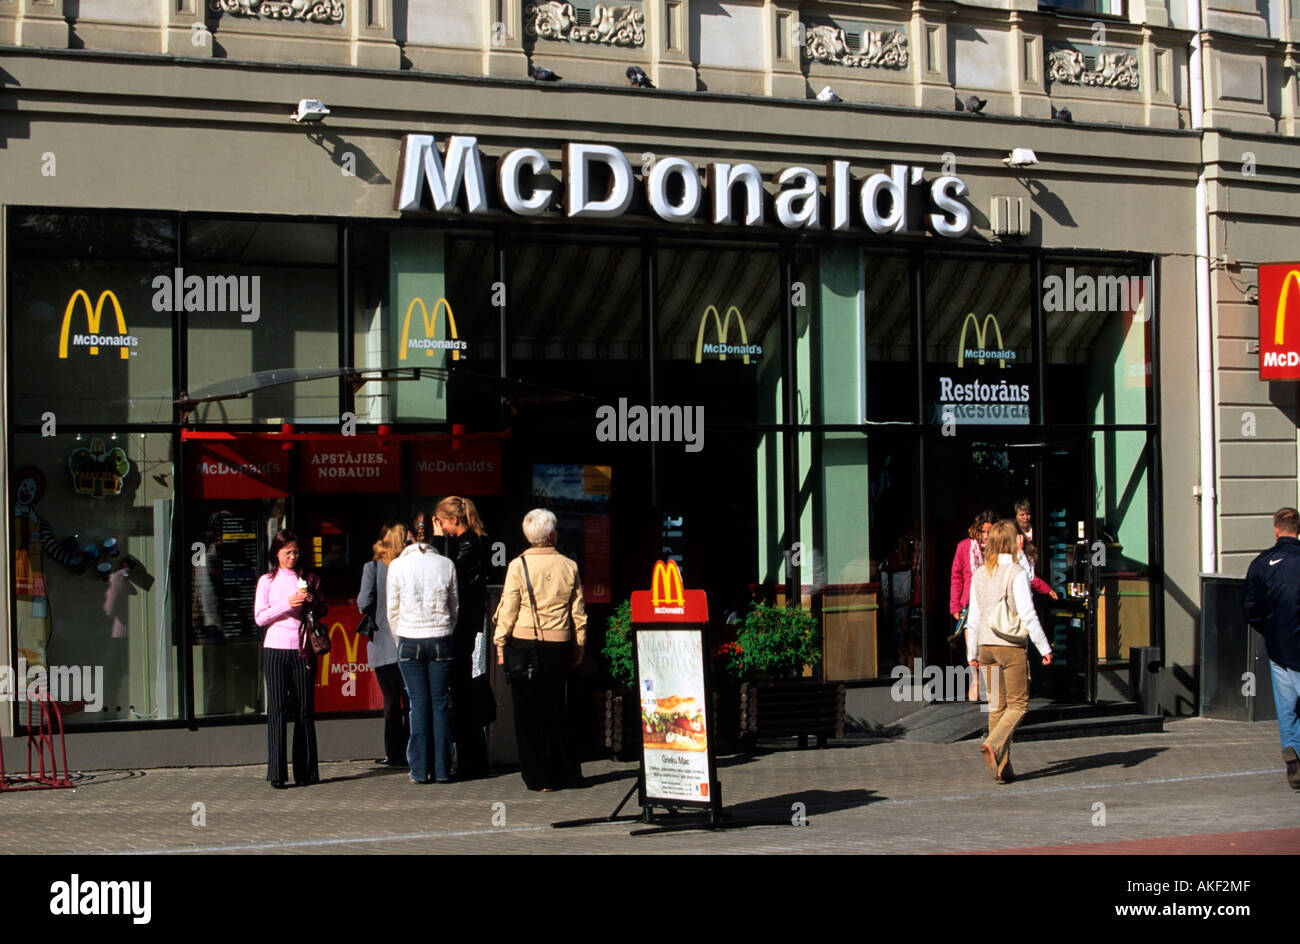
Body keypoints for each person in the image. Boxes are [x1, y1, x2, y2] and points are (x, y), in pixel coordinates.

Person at [493, 508, 587, 792]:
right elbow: (578, 612)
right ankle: (566, 774)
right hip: (559, 645)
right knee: (558, 710)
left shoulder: (517, 565)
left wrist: (500, 643)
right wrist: (579, 645)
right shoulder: (569, 565)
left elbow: (508, 608)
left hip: (524, 644)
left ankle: (538, 777)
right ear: (550, 534)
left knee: (528, 714)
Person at [965, 520, 1054, 783]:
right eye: (1018, 537)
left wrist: (972, 653)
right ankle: (992, 743)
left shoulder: (980, 573)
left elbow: (974, 616)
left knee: (996, 706)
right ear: (1010, 542)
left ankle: (1001, 770)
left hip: (985, 647)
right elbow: (1027, 613)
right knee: (1017, 705)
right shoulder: (1015, 572)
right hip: (1011, 647)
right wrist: (1044, 647)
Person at [254, 529, 326, 789]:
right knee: (277, 710)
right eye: (287, 553)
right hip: (275, 649)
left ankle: (307, 771)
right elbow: (260, 617)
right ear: (277, 554)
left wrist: (310, 601)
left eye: (296, 552)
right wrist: (288, 603)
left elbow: (321, 608)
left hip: (302, 649)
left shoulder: (306, 578)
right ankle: (276, 772)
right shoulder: (267, 580)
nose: (292, 557)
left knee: (305, 710)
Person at [387, 527, 458, 784]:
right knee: (439, 703)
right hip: (440, 637)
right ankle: (442, 769)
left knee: (418, 704)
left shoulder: (397, 566)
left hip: (408, 637)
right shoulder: (446, 564)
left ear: (409, 537)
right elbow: (454, 605)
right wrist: (446, 630)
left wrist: (400, 638)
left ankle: (418, 769)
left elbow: (391, 609)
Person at [431, 495, 492, 779]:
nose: (441, 527)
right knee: (462, 690)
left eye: (442, 522)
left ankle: (470, 760)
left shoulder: (467, 544)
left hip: (462, 625)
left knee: (461, 691)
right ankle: (471, 758)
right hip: (467, 624)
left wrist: (434, 542)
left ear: (454, 520)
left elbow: (445, 573)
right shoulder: (473, 542)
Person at [1243, 506, 1300, 791]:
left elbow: (1250, 607)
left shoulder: (1262, 562)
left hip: (1278, 646)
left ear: (1276, 529)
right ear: (1297, 529)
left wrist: (1269, 630)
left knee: (1287, 706)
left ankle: (1292, 752)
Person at [357, 522, 409, 768]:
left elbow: (363, 602)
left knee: (390, 701)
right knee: (412, 700)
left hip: (383, 644)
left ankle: (395, 753)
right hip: (409, 643)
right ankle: (414, 750)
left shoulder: (373, 567)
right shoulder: (409, 566)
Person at [949, 510, 997, 647]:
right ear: (976, 530)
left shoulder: (999, 548)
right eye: (982, 531)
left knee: (989, 654)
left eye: (990, 532)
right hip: (970, 605)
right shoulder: (964, 547)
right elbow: (956, 577)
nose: (986, 536)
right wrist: (955, 606)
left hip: (993, 606)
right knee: (973, 655)